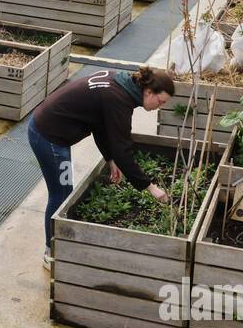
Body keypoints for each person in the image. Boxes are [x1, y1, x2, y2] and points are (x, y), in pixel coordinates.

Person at [26, 66, 175, 267]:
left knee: (64, 192)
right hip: (49, 137)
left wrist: (109, 158)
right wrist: (151, 188)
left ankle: (55, 246)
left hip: (52, 129)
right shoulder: (119, 100)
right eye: (160, 101)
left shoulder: (120, 83)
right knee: (61, 195)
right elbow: (123, 151)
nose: (160, 106)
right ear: (148, 92)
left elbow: (100, 123)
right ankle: (50, 252)